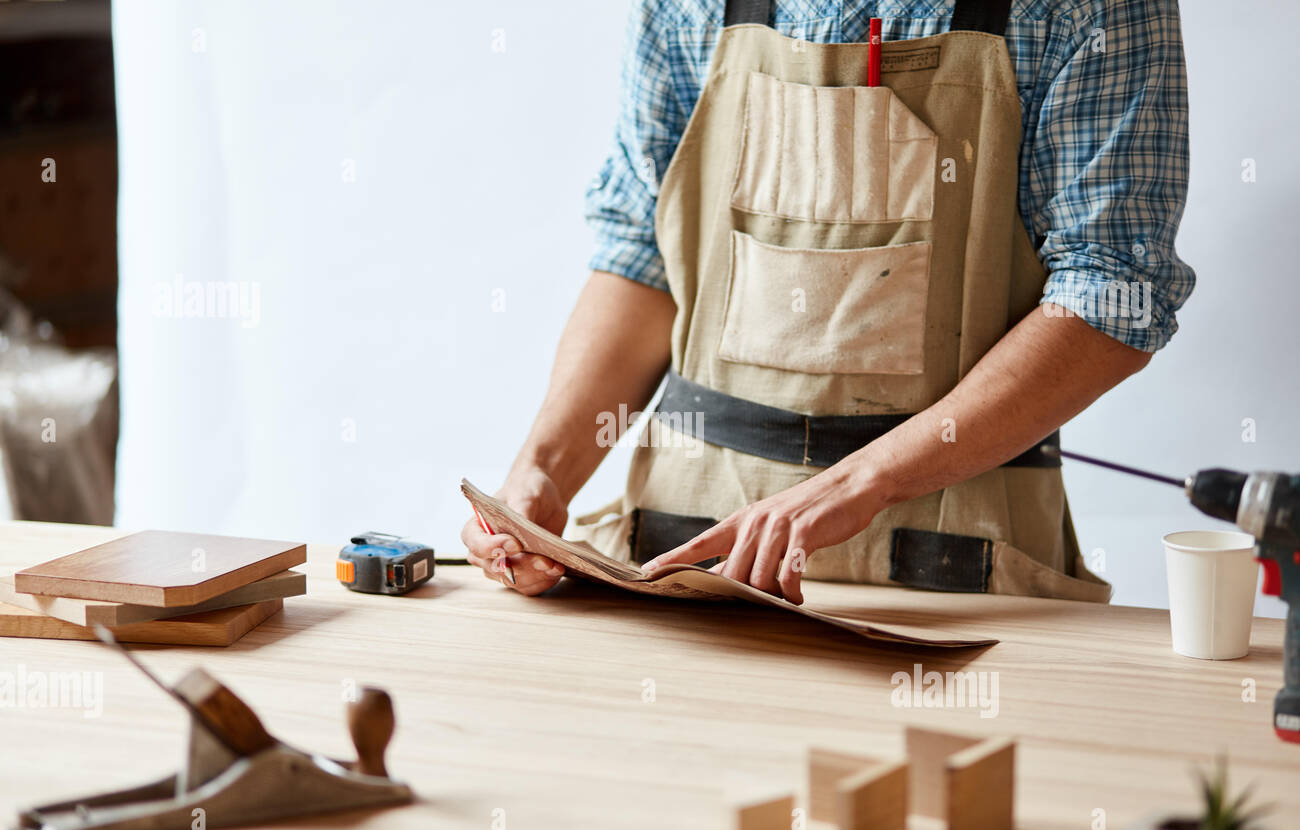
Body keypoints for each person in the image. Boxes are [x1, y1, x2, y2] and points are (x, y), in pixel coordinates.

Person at [463, 0, 1194, 604]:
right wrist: (541, 476)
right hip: (681, 556)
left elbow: (1113, 296)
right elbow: (643, 252)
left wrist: (862, 482)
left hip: (957, 571)